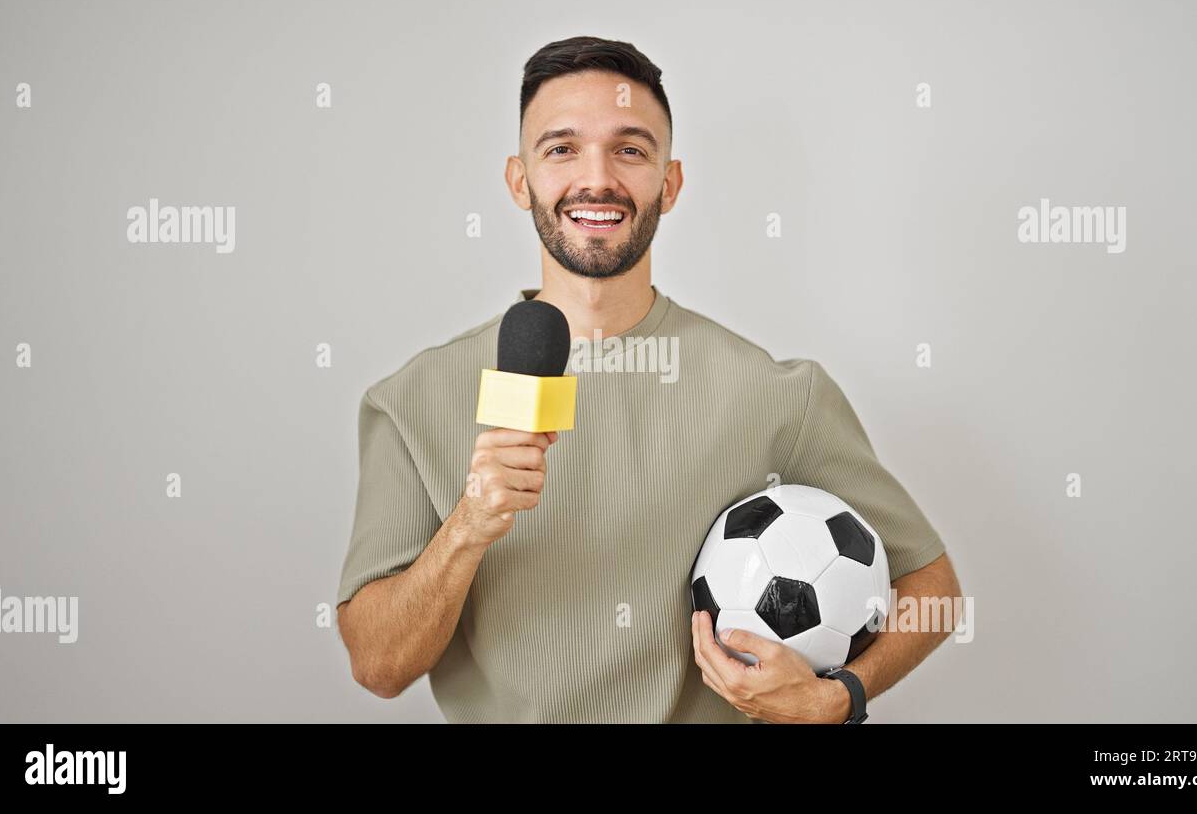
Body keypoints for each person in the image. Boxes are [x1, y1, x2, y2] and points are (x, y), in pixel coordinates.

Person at [336, 36, 961, 723]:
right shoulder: (411, 400)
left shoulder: (777, 394)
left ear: (670, 181)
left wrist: (837, 699)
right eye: (561, 148)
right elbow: (378, 665)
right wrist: (467, 527)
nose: (597, 180)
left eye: (630, 149)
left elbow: (933, 585)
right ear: (520, 180)